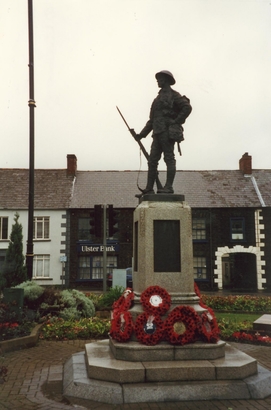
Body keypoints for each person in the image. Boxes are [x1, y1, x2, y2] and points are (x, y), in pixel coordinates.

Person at [135, 70, 192, 197]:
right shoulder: (156, 99)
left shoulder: (174, 95)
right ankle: (149, 188)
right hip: (157, 133)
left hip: (167, 132)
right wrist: (141, 135)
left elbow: (187, 107)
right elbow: (151, 120)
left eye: (159, 79)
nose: (157, 81)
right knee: (152, 161)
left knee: (169, 159)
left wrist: (176, 121)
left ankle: (168, 187)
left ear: (165, 80)